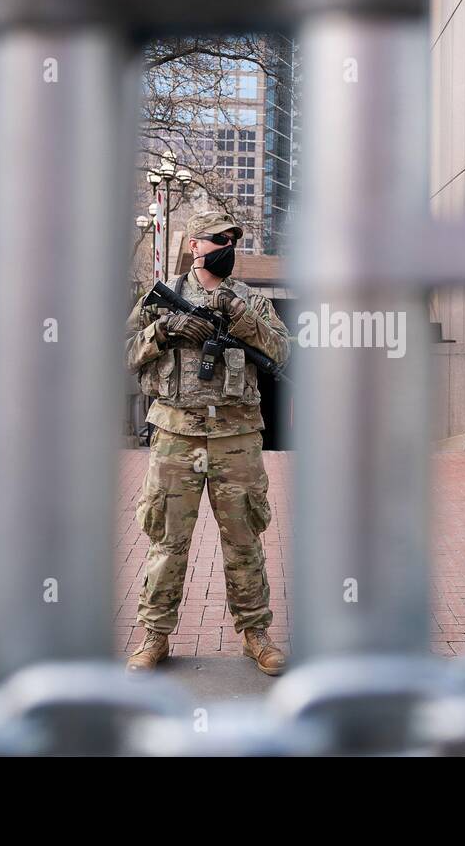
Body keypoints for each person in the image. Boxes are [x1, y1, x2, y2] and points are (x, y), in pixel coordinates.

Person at [124, 209, 291, 676]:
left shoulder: (250, 300)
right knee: (167, 542)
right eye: (218, 238)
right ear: (194, 245)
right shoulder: (163, 298)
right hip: (176, 436)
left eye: (233, 239)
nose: (227, 247)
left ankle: (255, 634)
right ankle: (154, 636)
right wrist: (164, 331)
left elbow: (283, 351)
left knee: (244, 541)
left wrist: (240, 321)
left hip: (236, 438)